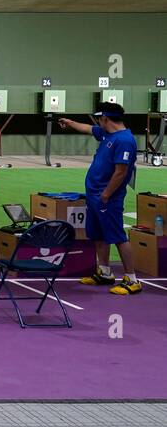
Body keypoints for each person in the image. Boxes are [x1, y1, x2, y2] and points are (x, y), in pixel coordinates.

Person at [59, 103, 140, 295]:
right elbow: (87, 128)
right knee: (98, 235)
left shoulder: (124, 140)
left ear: (105, 119)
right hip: (95, 195)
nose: (97, 122)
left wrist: (106, 194)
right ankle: (104, 272)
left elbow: (121, 172)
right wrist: (69, 122)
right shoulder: (106, 133)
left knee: (117, 235)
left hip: (107, 197)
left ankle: (132, 279)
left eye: (99, 119)